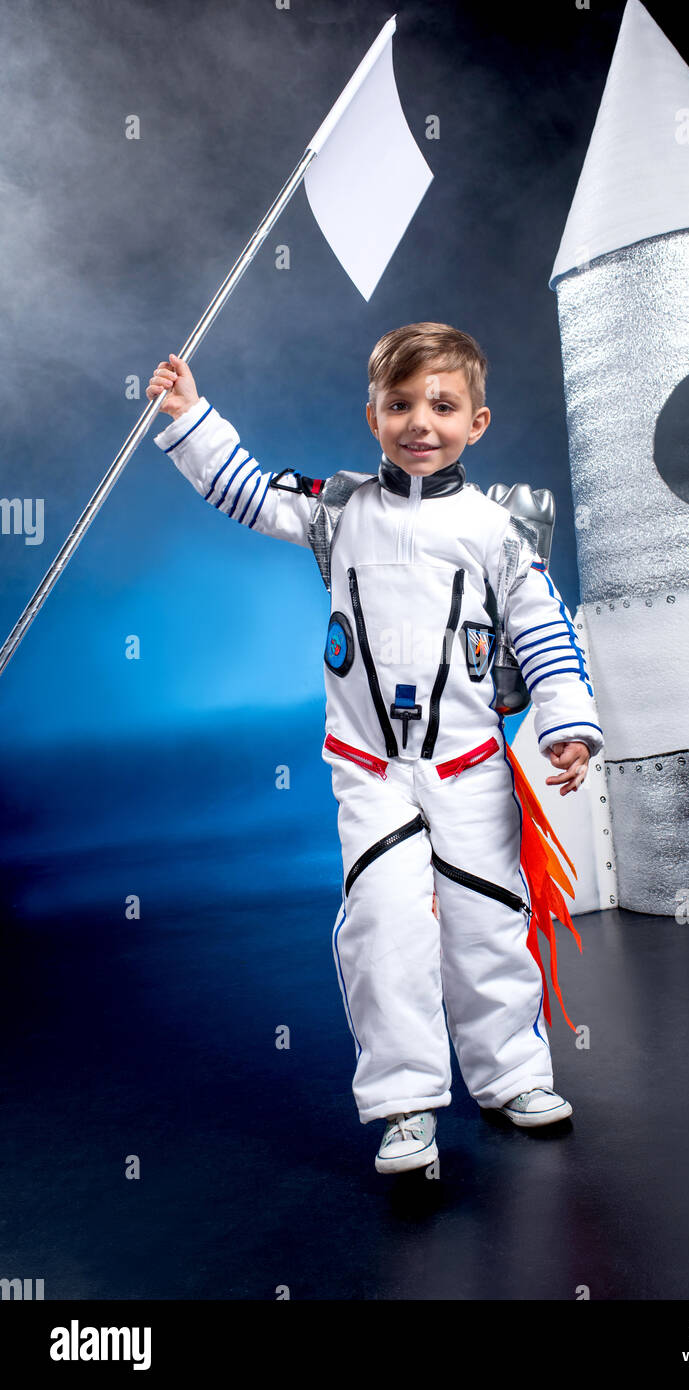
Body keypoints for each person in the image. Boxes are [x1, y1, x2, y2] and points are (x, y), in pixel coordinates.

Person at [147, 322, 604, 1174]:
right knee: (384, 926)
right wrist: (191, 413)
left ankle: (509, 1075)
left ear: (479, 422)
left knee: (490, 925)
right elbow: (247, 492)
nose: (419, 422)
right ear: (371, 417)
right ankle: (403, 1102)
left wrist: (567, 725)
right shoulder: (339, 509)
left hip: (470, 767)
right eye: (399, 404)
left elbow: (545, 630)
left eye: (442, 405)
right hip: (368, 769)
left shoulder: (497, 530)